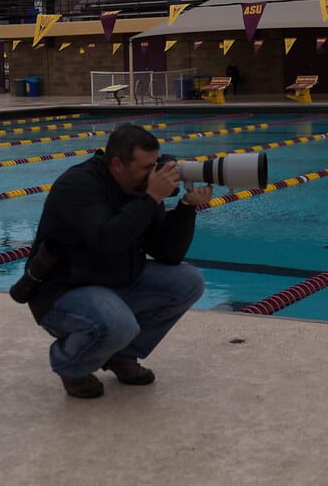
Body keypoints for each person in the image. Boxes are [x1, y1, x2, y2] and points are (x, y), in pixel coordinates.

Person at [19, 124, 211, 399]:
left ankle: (122, 356)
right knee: (118, 324)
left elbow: (169, 254)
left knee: (189, 282)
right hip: (63, 291)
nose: (153, 173)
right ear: (118, 164)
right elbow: (106, 242)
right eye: (146, 167)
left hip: (112, 279)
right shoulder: (79, 186)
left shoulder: (140, 187)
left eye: (154, 164)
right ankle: (70, 365)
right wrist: (152, 197)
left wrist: (186, 208)